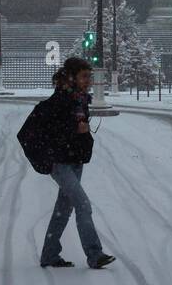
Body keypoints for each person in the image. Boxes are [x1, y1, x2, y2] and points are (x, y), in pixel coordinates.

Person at [38, 57, 116, 270]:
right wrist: (75, 130)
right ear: (72, 77)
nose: (88, 81)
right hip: (59, 162)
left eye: (89, 76)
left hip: (74, 160)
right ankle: (94, 254)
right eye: (84, 77)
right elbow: (52, 132)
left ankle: (49, 254)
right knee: (83, 204)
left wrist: (83, 136)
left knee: (63, 209)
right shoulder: (60, 100)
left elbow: (79, 128)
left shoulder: (81, 99)